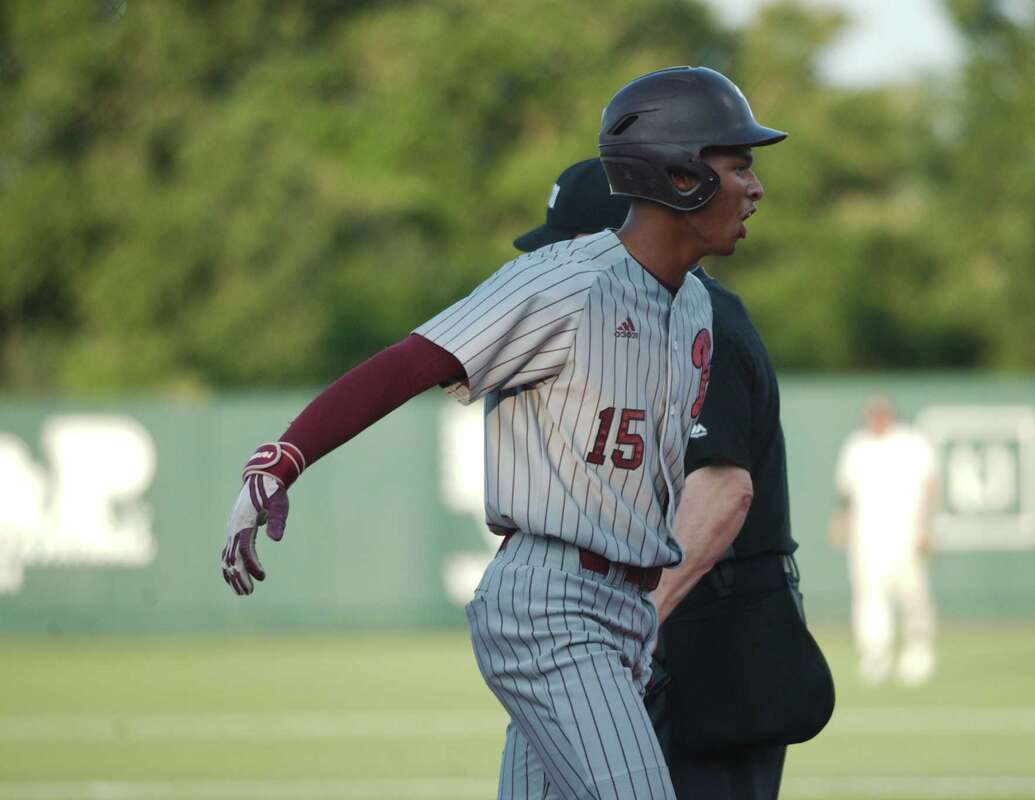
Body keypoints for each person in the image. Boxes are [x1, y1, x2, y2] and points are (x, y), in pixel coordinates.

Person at [220, 66, 785, 799]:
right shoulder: (563, 281)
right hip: (552, 604)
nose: (754, 185)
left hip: (622, 614)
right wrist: (285, 458)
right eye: (738, 165)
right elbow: (410, 362)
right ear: (680, 177)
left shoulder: (697, 312)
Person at [514, 159, 834, 800]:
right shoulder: (624, 327)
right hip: (661, 638)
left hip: (714, 647)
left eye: (568, 247)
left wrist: (631, 626)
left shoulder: (698, 316)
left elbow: (720, 492)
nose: (556, 268)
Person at [830, 395, 939, 686]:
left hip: (906, 535)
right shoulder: (857, 446)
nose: (876, 418)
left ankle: (918, 651)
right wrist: (842, 523)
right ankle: (875, 654)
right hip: (867, 538)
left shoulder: (912, 442)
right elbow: (846, 493)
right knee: (869, 596)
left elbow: (930, 486)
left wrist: (927, 527)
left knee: (912, 594)